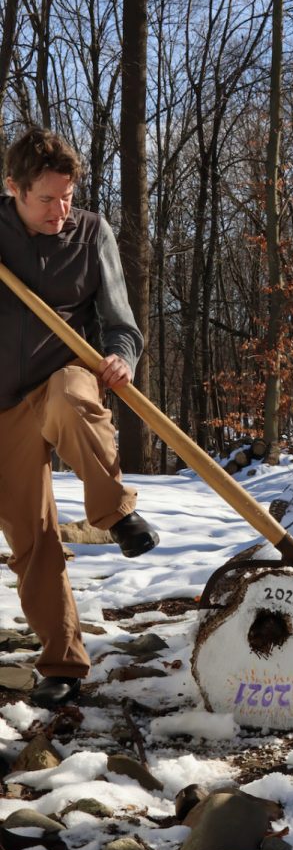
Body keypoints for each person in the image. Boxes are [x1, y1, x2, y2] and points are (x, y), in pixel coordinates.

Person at [0, 126, 159, 709]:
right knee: (32, 542)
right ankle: (62, 663)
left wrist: (122, 355)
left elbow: (120, 320)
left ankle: (115, 515)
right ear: (12, 188)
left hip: (58, 380)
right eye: (46, 198)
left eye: (68, 196)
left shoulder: (91, 233)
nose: (59, 210)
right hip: (1, 408)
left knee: (73, 394)